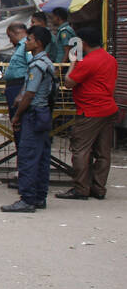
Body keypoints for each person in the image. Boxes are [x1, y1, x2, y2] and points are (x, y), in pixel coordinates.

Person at [57, 24, 118, 200]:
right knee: (103, 152)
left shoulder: (88, 61)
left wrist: (73, 63)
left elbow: (69, 82)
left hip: (89, 110)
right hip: (108, 108)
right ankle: (98, 188)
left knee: (81, 150)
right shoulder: (110, 59)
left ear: (83, 43)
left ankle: (81, 188)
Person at [2, 26, 56, 212]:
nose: (26, 42)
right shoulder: (47, 62)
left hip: (33, 113)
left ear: (38, 43)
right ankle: (40, 197)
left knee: (27, 157)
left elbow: (30, 94)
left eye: (30, 39)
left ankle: (27, 199)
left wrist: (17, 115)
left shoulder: (36, 65)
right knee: (41, 157)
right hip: (43, 113)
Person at [2, 22, 29, 189]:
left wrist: (21, 93)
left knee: (22, 133)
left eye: (9, 37)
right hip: (15, 89)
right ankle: (22, 173)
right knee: (19, 132)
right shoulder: (21, 47)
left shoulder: (27, 47)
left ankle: (24, 174)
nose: (9, 41)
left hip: (20, 90)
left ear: (14, 33)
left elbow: (32, 71)